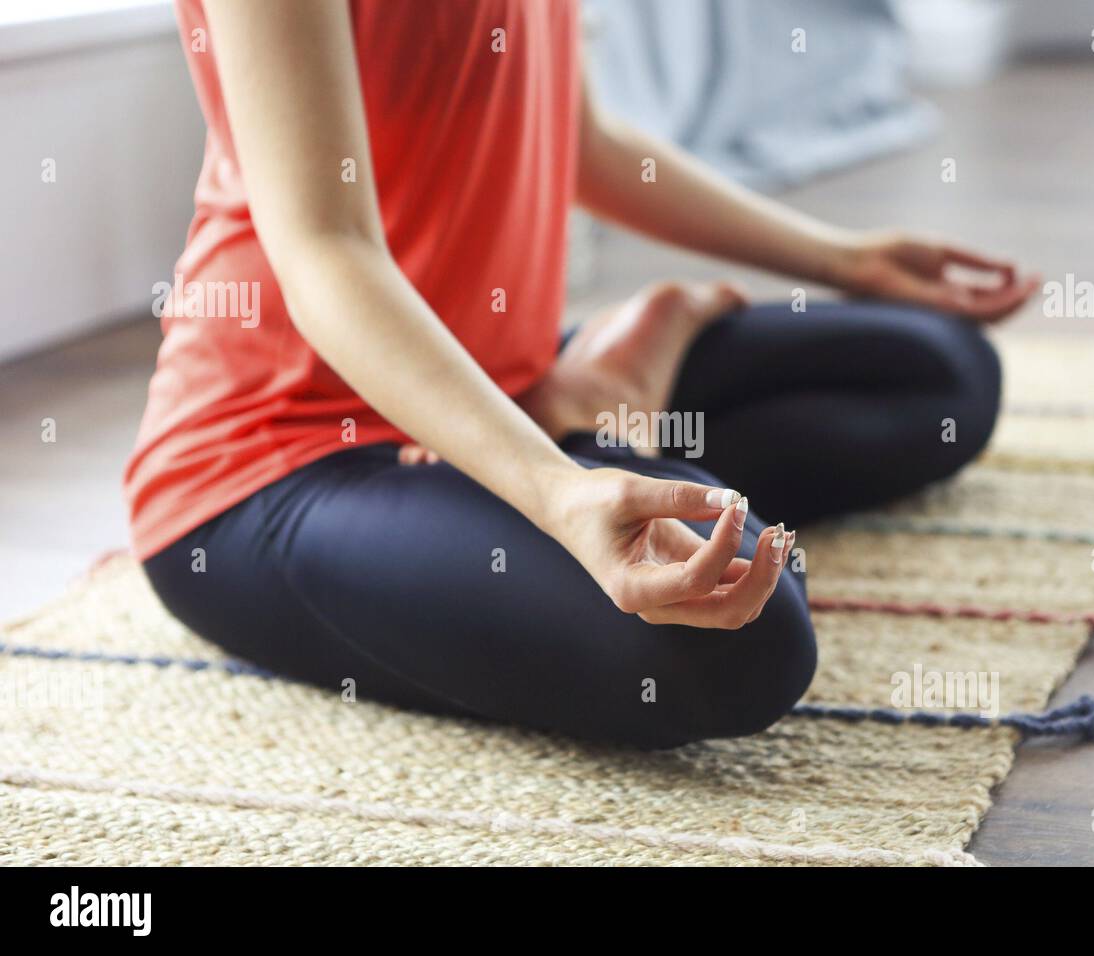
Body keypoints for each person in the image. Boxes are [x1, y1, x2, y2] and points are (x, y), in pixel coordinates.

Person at [127, 0, 1038, 749]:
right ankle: (589, 416)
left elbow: (589, 143)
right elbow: (326, 249)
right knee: (739, 640)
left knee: (940, 373)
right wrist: (560, 489)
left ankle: (585, 403)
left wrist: (844, 261)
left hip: (498, 379)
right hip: (282, 461)